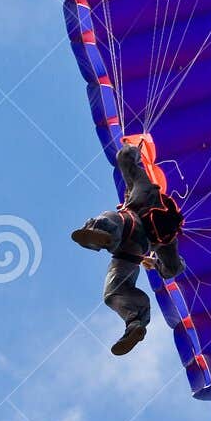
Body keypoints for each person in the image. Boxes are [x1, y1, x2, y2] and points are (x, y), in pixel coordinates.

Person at [71, 138, 185, 356]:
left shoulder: (138, 188)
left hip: (129, 230)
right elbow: (173, 269)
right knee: (115, 291)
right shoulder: (167, 238)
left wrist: (135, 147)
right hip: (140, 248)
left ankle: (102, 235)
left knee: (111, 219)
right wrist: (156, 264)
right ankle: (134, 324)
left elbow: (124, 157)